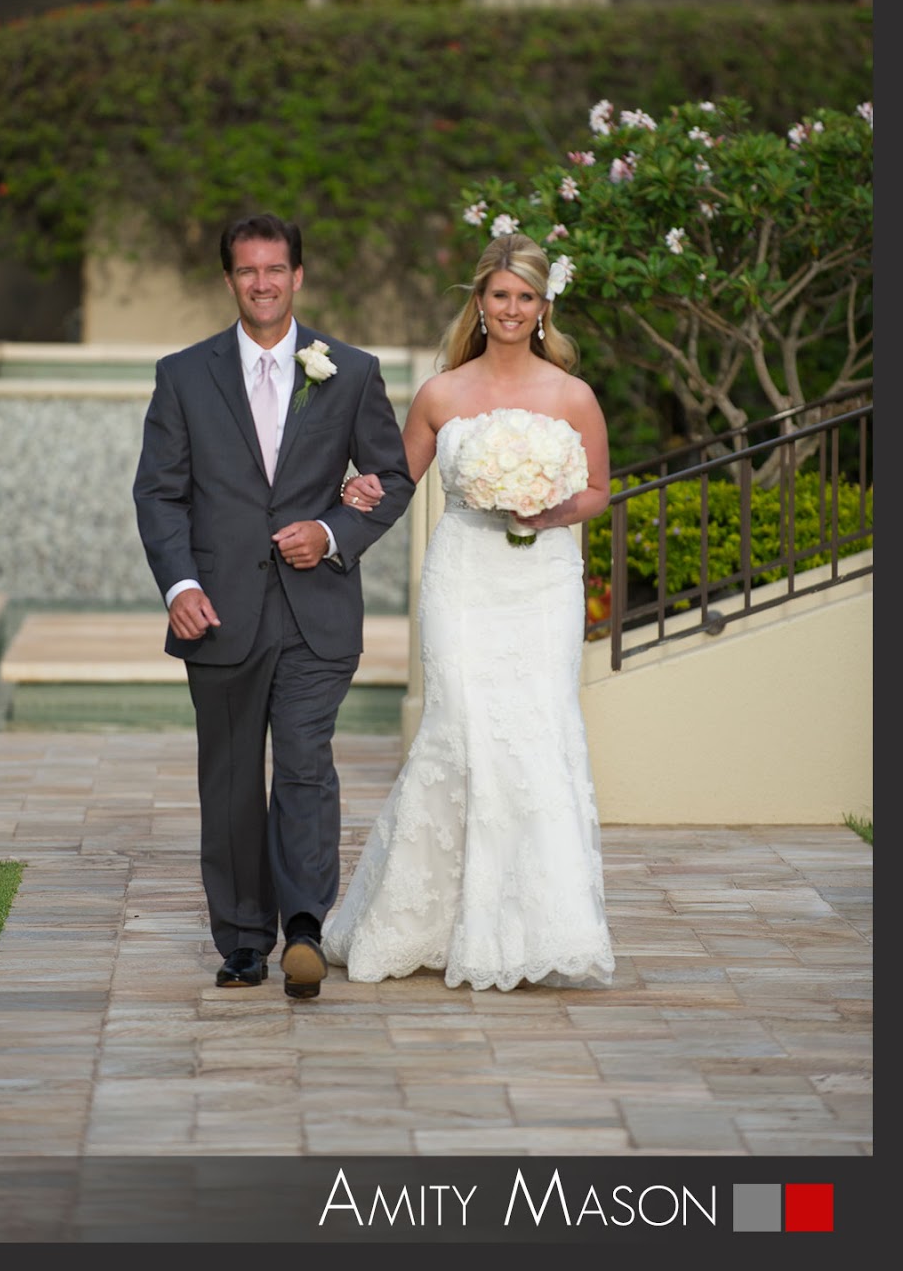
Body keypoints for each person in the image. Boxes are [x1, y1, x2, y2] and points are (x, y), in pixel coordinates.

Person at [322, 232, 616, 992]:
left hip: (542, 583)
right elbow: (395, 480)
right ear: (479, 304)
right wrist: (356, 494)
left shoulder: (572, 396)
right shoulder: (441, 394)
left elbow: (596, 493)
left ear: (543, 307)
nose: (511, 309)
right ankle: (421, 921)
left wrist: (546, 510)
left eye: (525, 297)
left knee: (536, 736)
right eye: (499, 296)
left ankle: (535, 928)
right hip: (462, 581)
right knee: (458, 729)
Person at [133, 213, 414, 999]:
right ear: (229, 280)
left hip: (314, 611)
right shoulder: (182, 374)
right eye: (247, 270)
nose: (262, 282)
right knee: (227, 781)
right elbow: (158, 494)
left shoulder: (349, 371)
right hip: (216, 610)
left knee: (302, 764)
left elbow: (390, 479)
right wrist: (180, 586)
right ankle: (242, 943)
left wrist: (329, 531)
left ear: (298, 275)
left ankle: (303, 928)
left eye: (276, 268)